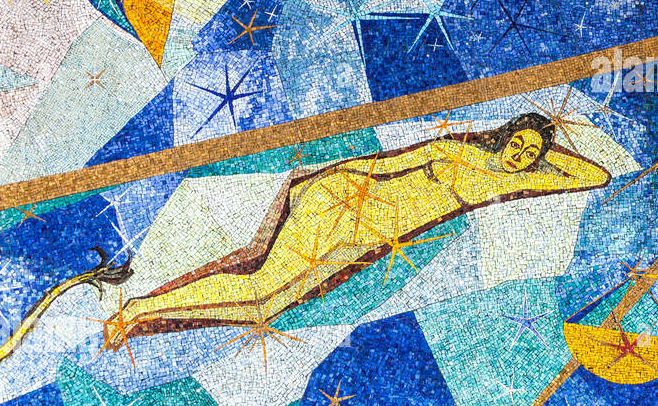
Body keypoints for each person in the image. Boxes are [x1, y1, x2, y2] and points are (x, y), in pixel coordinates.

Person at [84, 113, 610, 351]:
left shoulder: (504, 179)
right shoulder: (462, 153)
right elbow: (383, 165)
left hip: (364, 238)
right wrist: (316, 185)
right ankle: (137, 310)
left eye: (530, 154)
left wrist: (546, 143)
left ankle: (145, 315)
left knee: (265, 307)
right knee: (258, 287)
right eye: (517, 143)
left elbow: (594, 174)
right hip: (342, 205)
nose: (520, 156)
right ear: (504, 136)